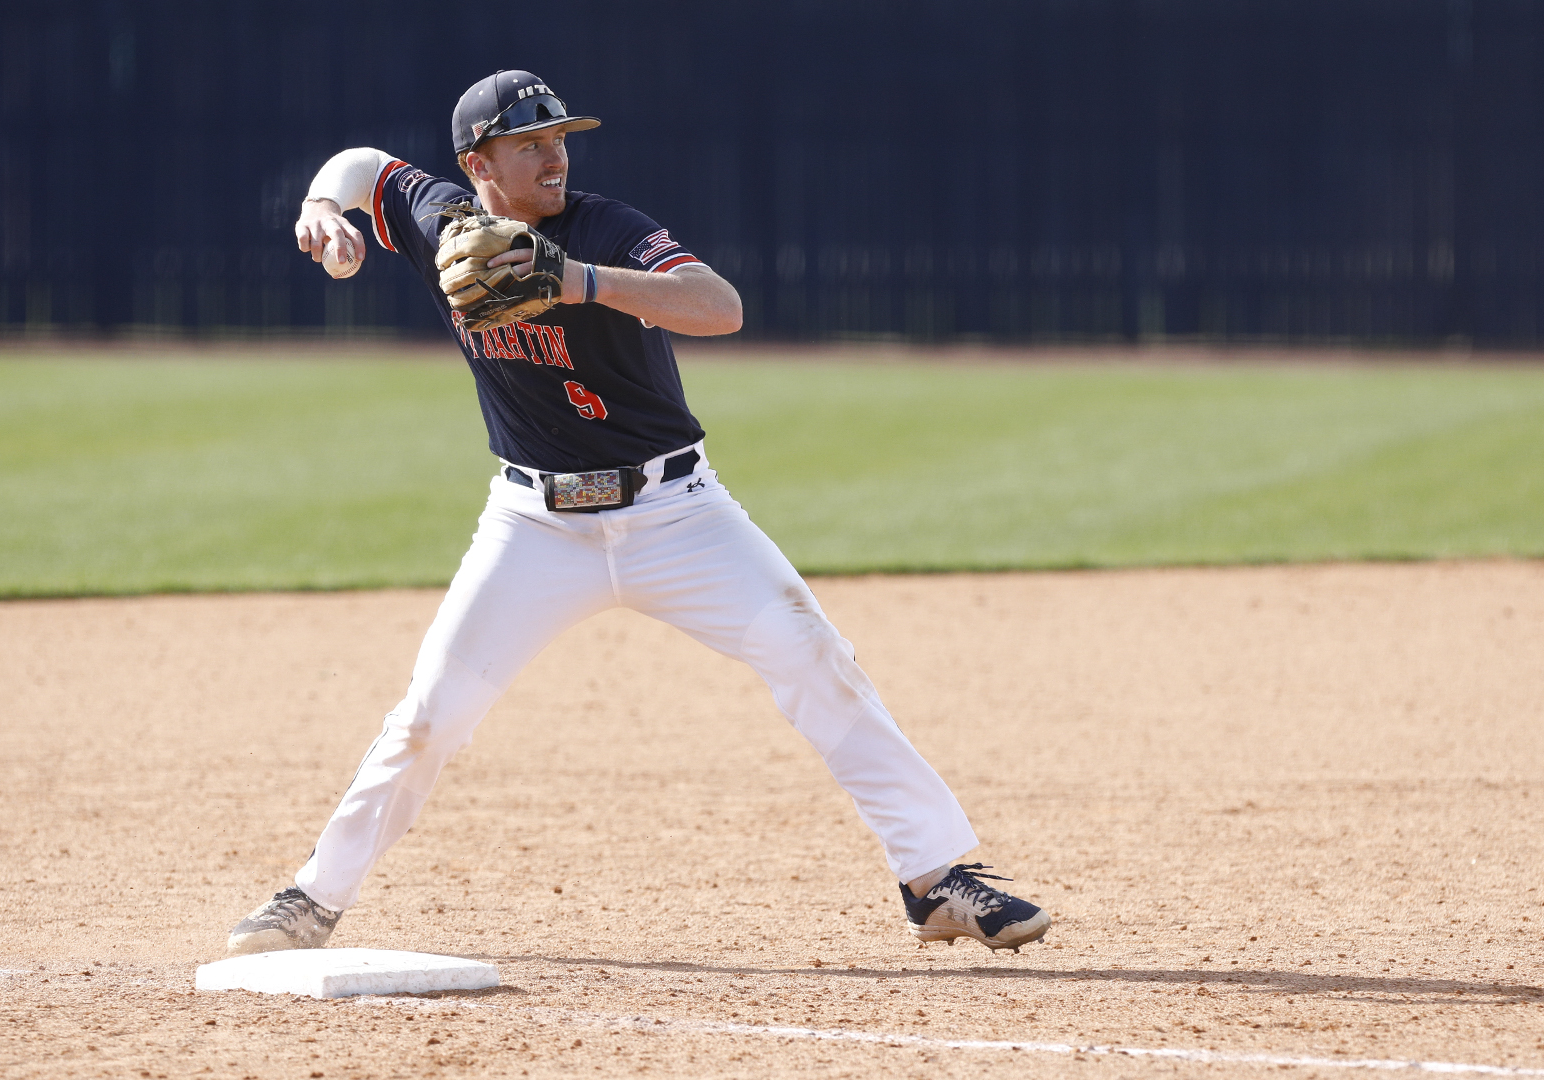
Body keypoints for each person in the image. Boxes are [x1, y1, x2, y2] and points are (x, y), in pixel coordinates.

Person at [225, 70, 1050, 957]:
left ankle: (934, 880)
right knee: (429, 714)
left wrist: (579, 280)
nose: (554, 156)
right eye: (530, 143)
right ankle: (313, 897)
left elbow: (719, 307)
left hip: (677, 513)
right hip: (532, 526)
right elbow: (361, 166)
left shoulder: (606, 229)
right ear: (478, 162)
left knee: (817, 659)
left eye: (560, 137)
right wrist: (324, 206)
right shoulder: (439, 218)